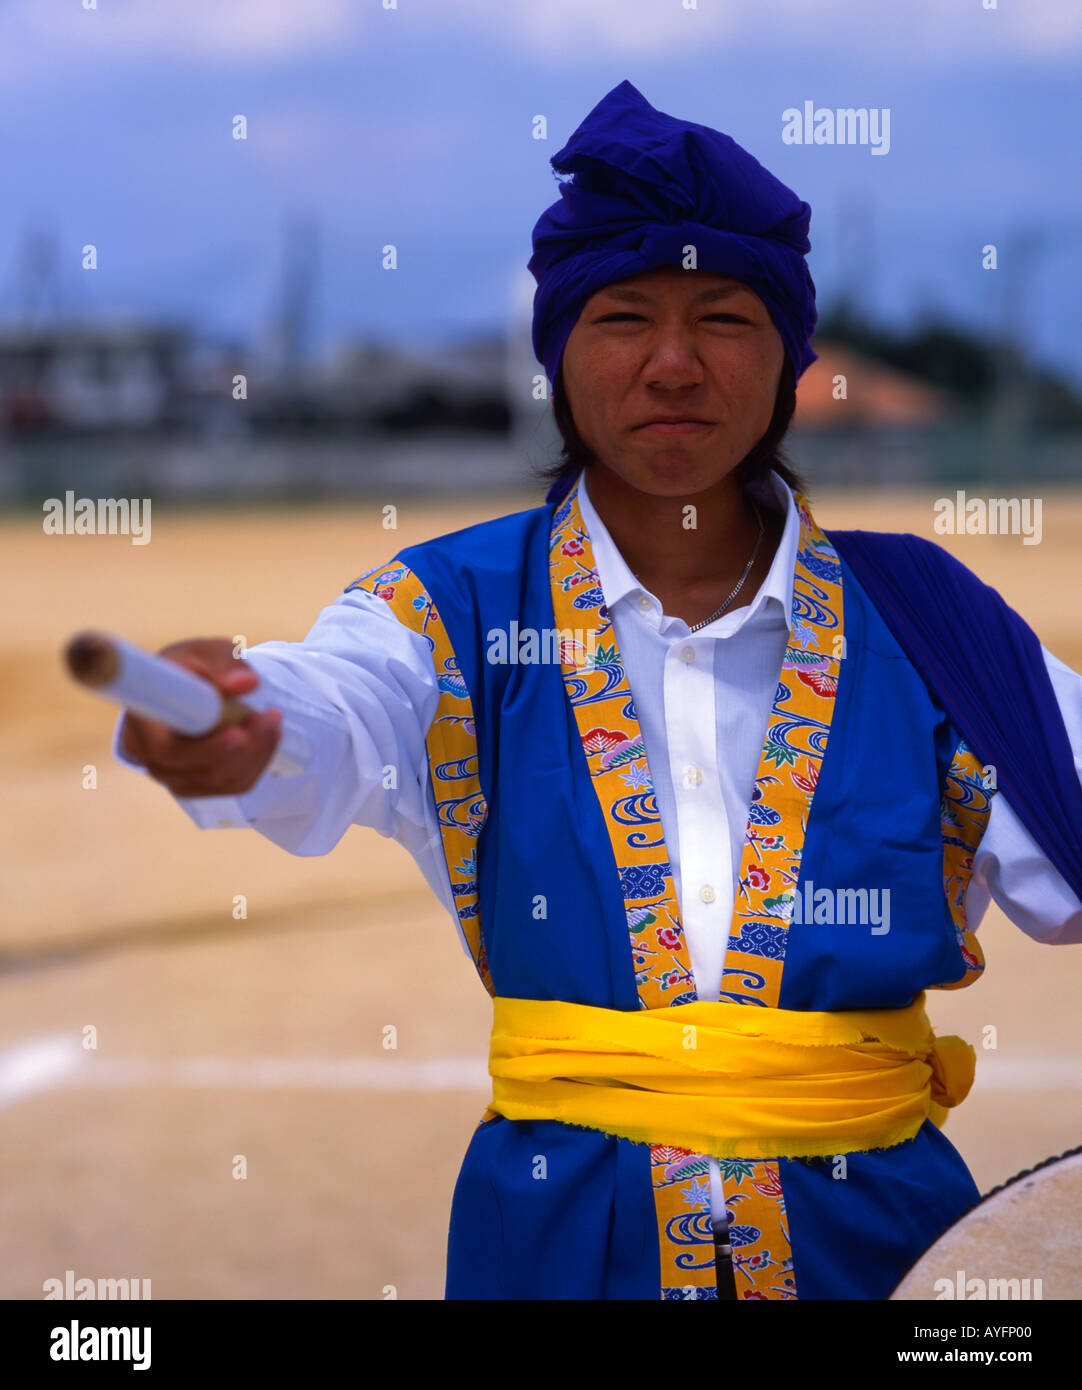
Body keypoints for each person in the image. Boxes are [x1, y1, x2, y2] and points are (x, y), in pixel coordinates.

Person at [115, 80, 1082, 1301]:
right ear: (558, 350)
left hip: (881, 1255)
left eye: (724, 319)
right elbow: (334, 702)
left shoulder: (929, 623)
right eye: (623, 316)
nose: (672, 364)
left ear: (788, 354)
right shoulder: (450, 611)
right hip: (553, 1250)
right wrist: (241, 720)